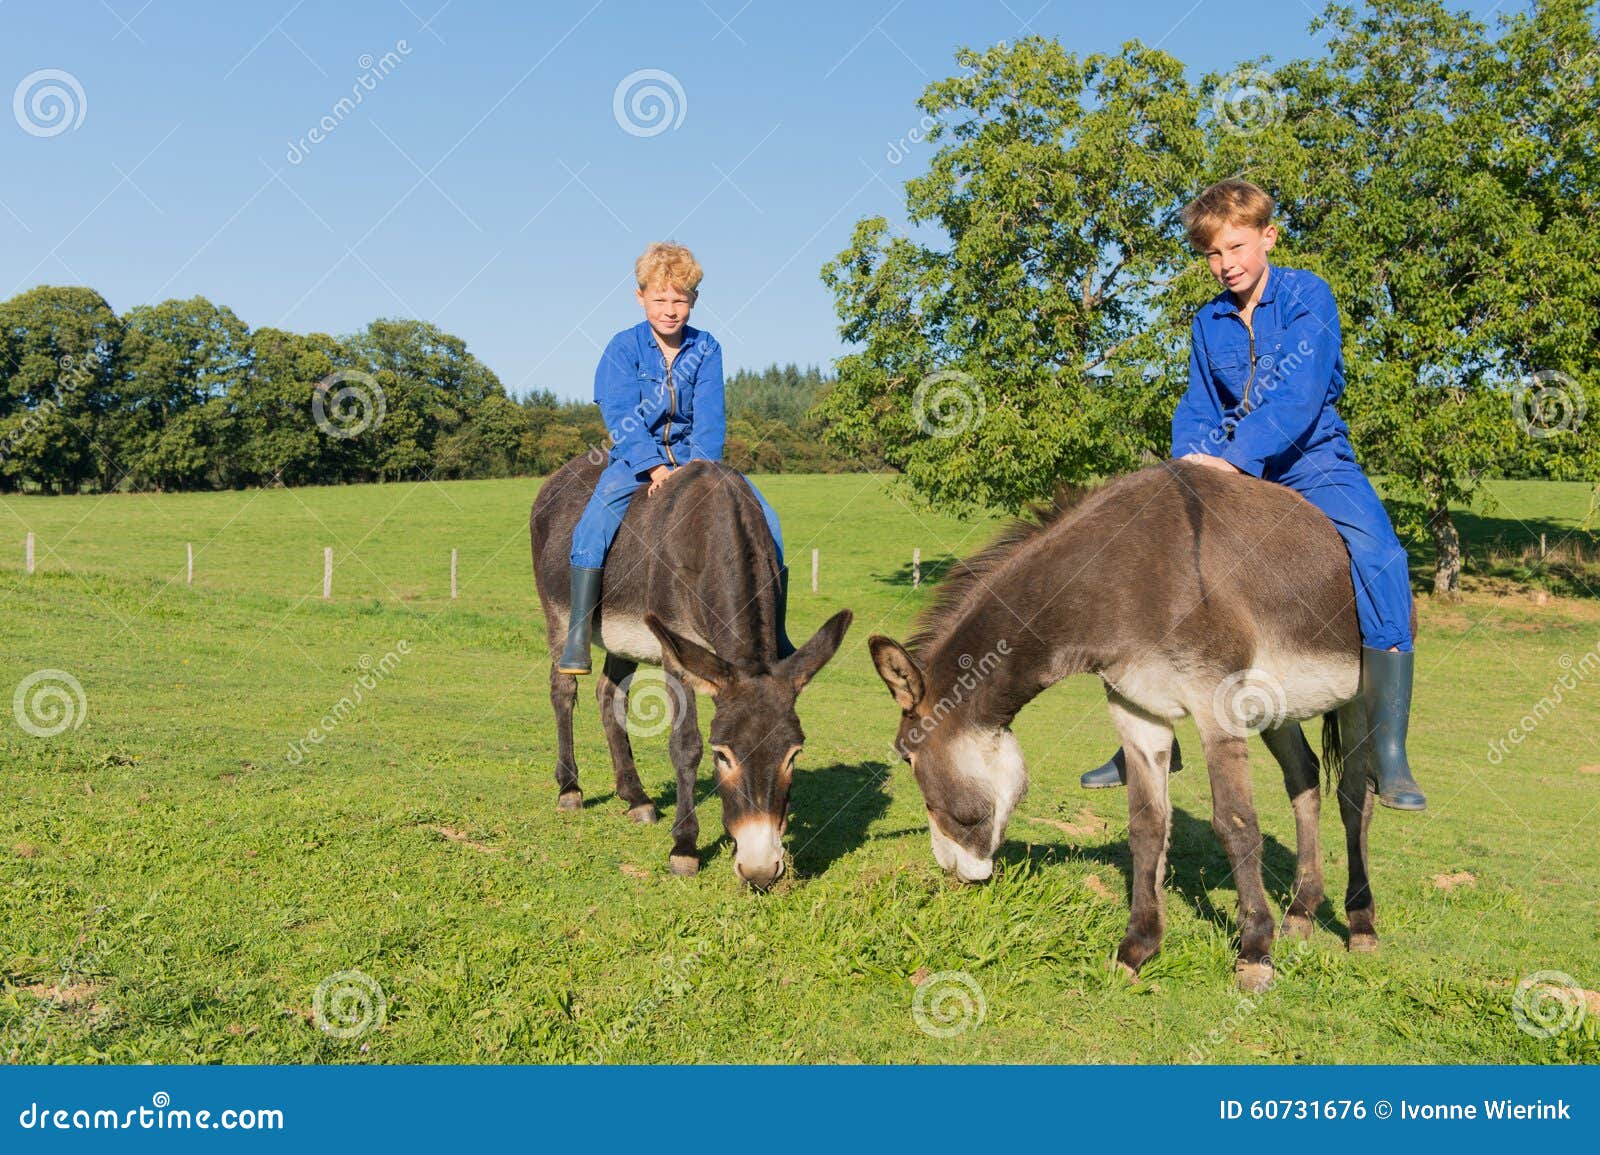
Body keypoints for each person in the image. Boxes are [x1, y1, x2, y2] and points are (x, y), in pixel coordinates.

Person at [1079, 179, 1425, 810]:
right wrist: (1190, 466)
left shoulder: (1307, 297)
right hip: (1226, 466)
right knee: (1150, 555)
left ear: (1268, 236)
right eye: (1212, 254)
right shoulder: (1207, 321)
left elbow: (1298, 399)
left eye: (1236, 247)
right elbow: (1199, 403)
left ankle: (1388, 748)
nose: (1226, 264)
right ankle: (1151, 732)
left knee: (1382, 555)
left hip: (1312, 462)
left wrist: (1233, 459)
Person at [559, 241, 794, 674]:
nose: (670, 309)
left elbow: (710, 418)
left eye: (680, 300)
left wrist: (696, 472)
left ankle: (775, 632)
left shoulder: (708, 349)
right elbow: (621, 414)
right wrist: (655, 467)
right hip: (634, 460)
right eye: (660, 298)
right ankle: (576, 636)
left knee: (769, 519)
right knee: (594, 523)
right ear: (640, 297)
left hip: (698, 461)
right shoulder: (622, 348)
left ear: (694, 301)